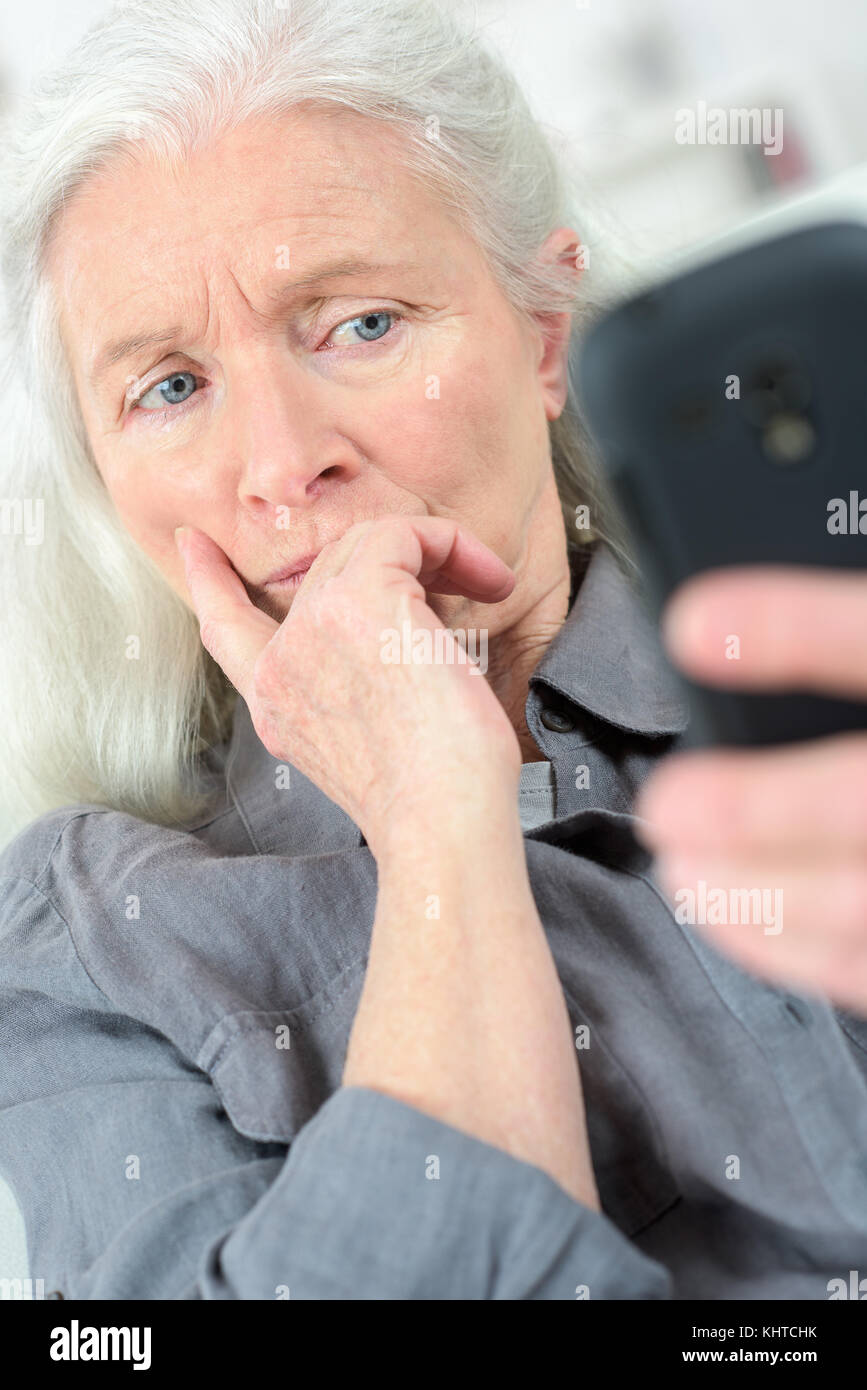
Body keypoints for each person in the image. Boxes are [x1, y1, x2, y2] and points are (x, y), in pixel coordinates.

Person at [0, 0, 865, 1301]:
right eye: (170, 387)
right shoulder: (88, 935)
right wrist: (434, 813)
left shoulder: (819, 634)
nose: (286, 466)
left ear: (543, 332)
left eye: (360, 323)